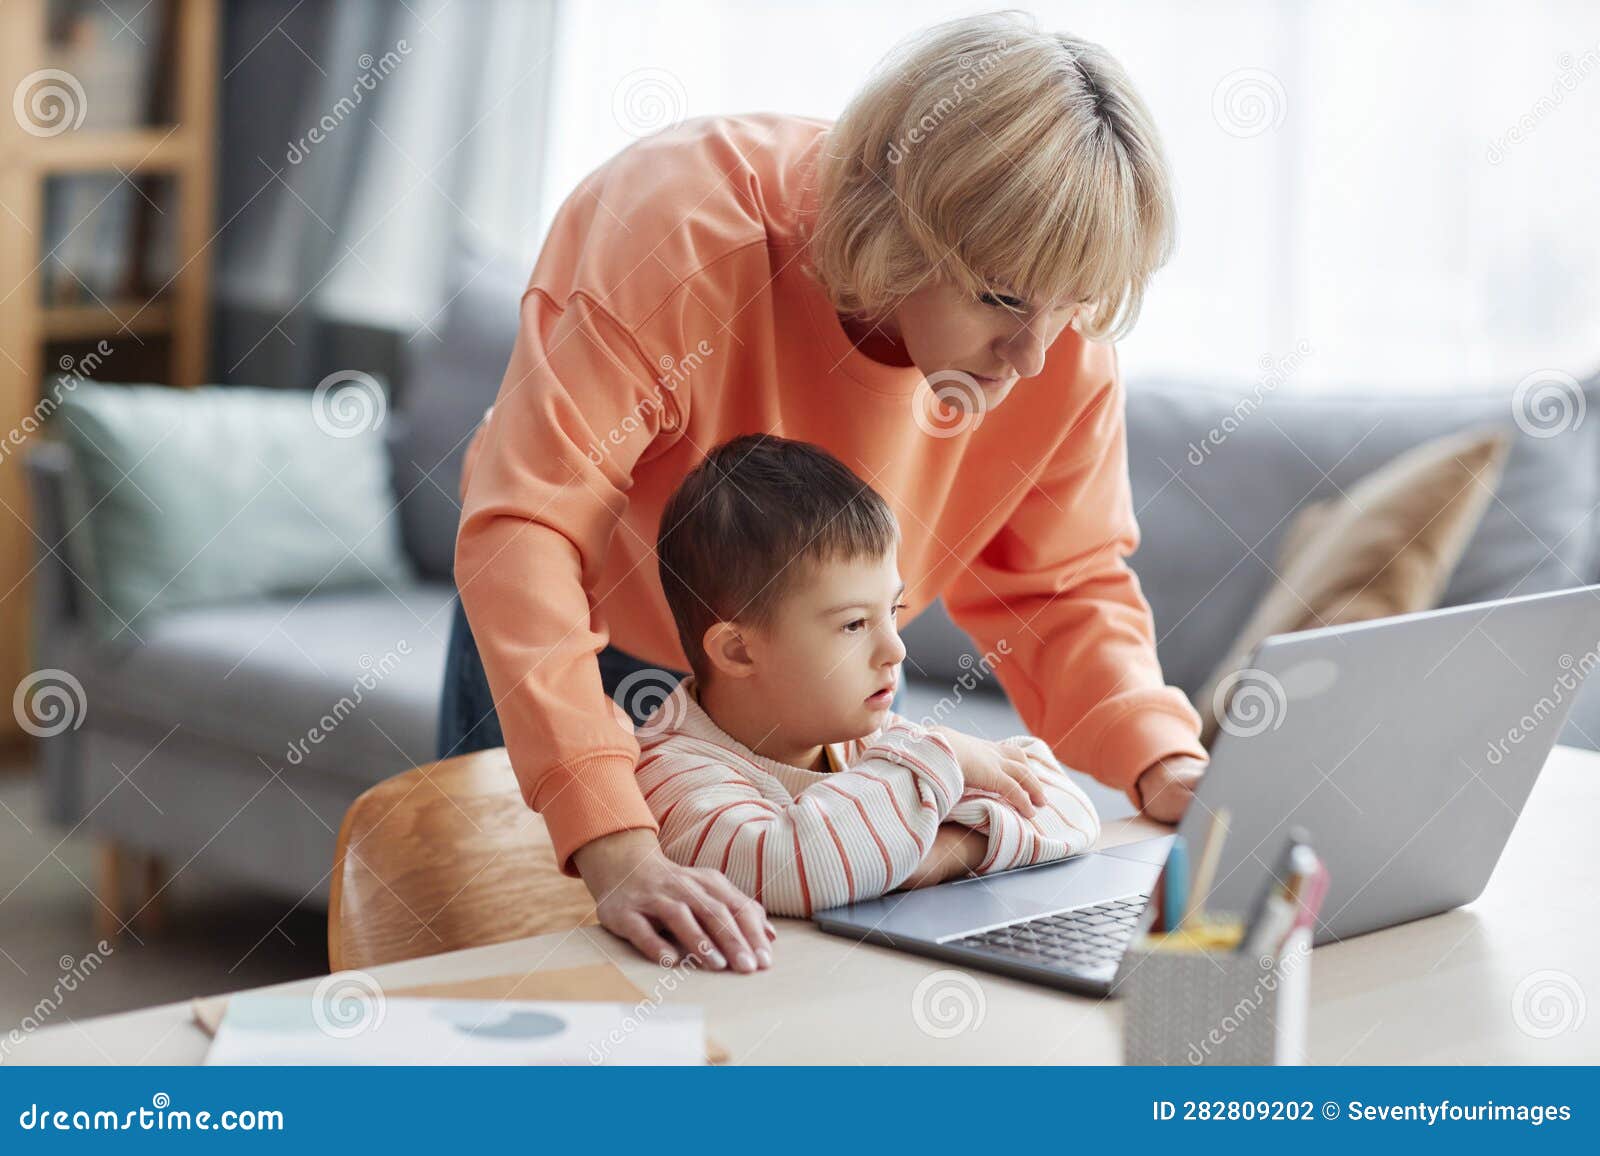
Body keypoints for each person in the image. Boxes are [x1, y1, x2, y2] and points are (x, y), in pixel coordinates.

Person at [441, 12, 1208, 975]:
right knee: (525, 989)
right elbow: (529, 530)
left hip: (833, 674)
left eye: (1075, 307)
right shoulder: (676, 227)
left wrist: (1163, 761)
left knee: (813, 996)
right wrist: (617, 846)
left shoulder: (1055, 339)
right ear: (900, 227)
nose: (1033, 356)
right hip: (584, 654)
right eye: (1003, 298)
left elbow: (1061, 584)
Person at [634, 435, 1101, 928]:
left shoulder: (866, 742)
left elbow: (1068, 809)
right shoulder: (670, 778)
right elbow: (798, 866)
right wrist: (943, 759)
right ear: (738, 650)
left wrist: (946, 852)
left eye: (894, 610)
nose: (896, 650)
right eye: (854, 624)